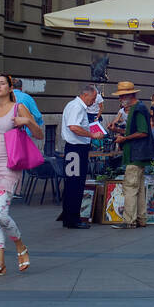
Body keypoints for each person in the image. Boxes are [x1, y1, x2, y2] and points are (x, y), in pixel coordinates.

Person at [0, 73, 42, 275]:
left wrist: (26, 122)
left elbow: (39, 133)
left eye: (2, 83)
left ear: (10, 88)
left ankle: (21, 246)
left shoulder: (18, 108)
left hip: (9, 165)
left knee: (1, 214)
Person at [113, 81, 154, 229]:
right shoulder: (137, 108)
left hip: (136, 154)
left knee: (130, 187)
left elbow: (143, 132)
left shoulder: (137, 109)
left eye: (122, 96)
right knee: (138, 187)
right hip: (138, 154)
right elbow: (136, 131)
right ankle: (140, 218)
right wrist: (119, 132)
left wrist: (124, 138)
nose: (120, 100)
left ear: (130, 95)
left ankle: (129, 220)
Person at [60, 84, 99, 229]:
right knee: (75, 183)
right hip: (75, 149)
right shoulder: (77, 106)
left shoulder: (75, 105)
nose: (94, 101)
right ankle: (72, 219)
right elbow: (74, 127)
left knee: (73, 182)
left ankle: (69, 215)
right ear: (85, 95)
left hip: (75, 149)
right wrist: (91, 134)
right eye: (93, 98)